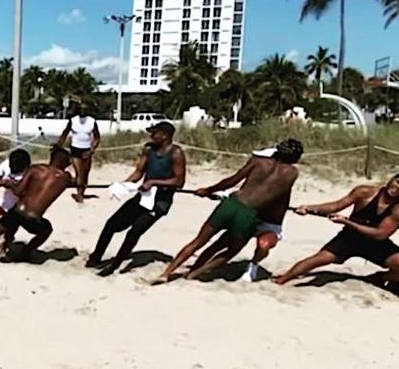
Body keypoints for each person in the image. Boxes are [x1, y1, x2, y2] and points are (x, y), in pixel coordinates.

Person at [152, 139, 304, 285]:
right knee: (231, 250)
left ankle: (167, 273)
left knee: (198, 241)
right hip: (249, 214)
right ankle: (194, 275)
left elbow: (232, 180)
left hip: (231, 204)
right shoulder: (291, 173)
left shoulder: (258, 161)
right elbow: (278, 199)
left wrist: (208, 190)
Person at [273, 172, 399, 287]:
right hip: (349, 239)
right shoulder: (365, 192)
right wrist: (308, 208)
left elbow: (380, 235)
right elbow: (336, 206)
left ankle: (376, 278)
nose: (398, 186)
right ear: (391, 180)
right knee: (318, 259)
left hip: (375, 243)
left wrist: (347, 222)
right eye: (398, 181)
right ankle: (283, 279)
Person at [87, 121, 187, 274]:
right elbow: (138, 172)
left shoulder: (176, 153)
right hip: (143, 197)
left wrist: (154, 182)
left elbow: (179, 182)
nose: (151, 135)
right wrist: (123, 185)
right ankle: (96, 257)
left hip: (160, 202)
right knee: (111, 224)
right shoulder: (149, 149)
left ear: (165, 136)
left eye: (155, 133)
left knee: (134, 231)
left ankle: (115, 265)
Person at [187, 146, 289, 283]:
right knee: (218, 244)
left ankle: (253, 266)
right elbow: (246, 193)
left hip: (267, 222)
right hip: (249, 217)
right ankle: (195, 270)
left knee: (263, 245)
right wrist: (222, 195)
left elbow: (266, 202)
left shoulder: (283, 180)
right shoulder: (259, 174)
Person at [0, 147, 74, 259]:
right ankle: (24, 253)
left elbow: (19, 191)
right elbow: (80, 181)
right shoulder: (66, 178)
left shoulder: (35, 169)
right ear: (63, 161)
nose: (69, 163)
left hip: (17, 210)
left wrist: (9, 184)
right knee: (46, 230)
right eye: (68, 161)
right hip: (33, 218)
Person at [56, 102, 100, 202]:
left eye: (84, 109)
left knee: (85, 173)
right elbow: (65, 133)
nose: (82, 111)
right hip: (75, 149)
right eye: (80, 109)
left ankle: (81, 192)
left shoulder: (92, 122)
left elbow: (97, 137)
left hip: (87, 150)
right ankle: (79, 195)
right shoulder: (73, 121)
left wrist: (92, 149)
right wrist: (59, 146)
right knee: (79, 173)